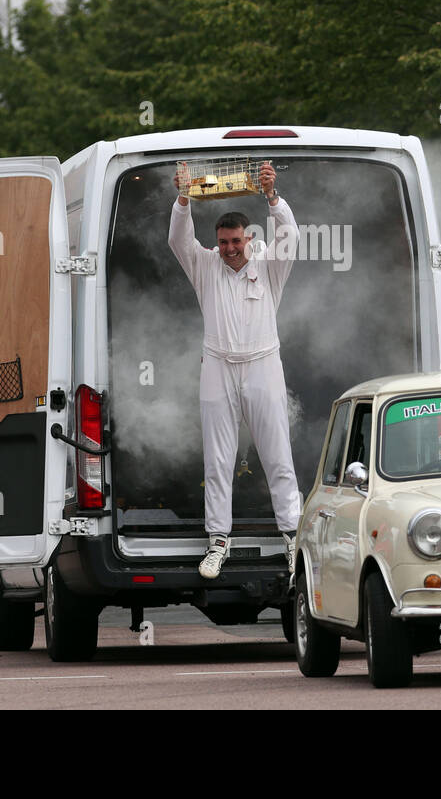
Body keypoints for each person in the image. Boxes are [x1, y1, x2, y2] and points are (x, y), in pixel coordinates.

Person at [169, 160, 302, 579]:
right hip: (218, 367)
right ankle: (218, 542)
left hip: (263, 364)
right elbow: (178, 239)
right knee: (218, 460)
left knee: (277, 455)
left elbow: (291, 234)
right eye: (224, 241)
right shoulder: (204, 265)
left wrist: (272, 197)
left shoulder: (268, 267)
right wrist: (183, 197)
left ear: (249, 238)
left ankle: (294, 538)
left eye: (236, 241)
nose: (229, 248)